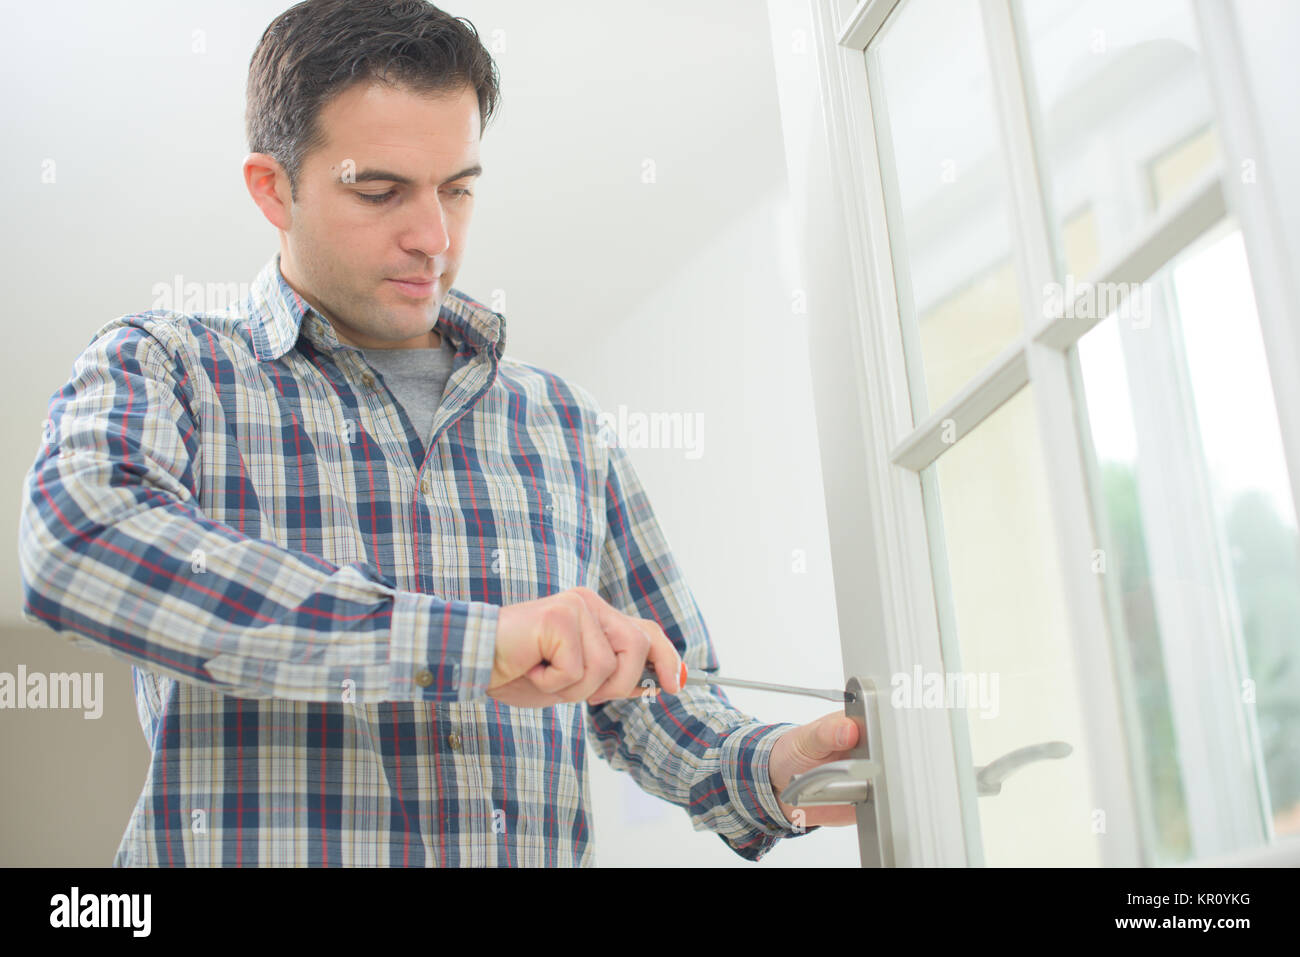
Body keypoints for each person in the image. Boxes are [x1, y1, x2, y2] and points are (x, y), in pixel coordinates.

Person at [17, 0, 859, 867]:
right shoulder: (169, 367)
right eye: (379, 191)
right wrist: (472, 644)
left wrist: (768, 768)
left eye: (458, 189)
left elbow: (660, 696)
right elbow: (78, 543)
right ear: (273, 187)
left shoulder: (564, 422)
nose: (435, 238)